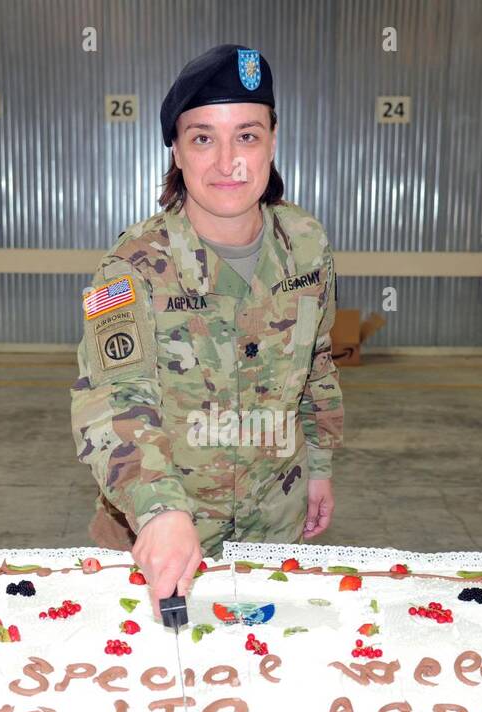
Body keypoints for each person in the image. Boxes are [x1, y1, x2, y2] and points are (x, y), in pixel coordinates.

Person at [70, 43, 343, 618]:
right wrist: (160, 511)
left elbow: (318, 364)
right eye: (202, 137)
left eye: (246, 135)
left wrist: (317, 466)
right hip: (164, 541)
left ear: (272, 139)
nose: (227, 162)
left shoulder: (307, 244)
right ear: (175, 148)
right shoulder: (131, 265)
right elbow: (112, 399)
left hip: (275, 526)